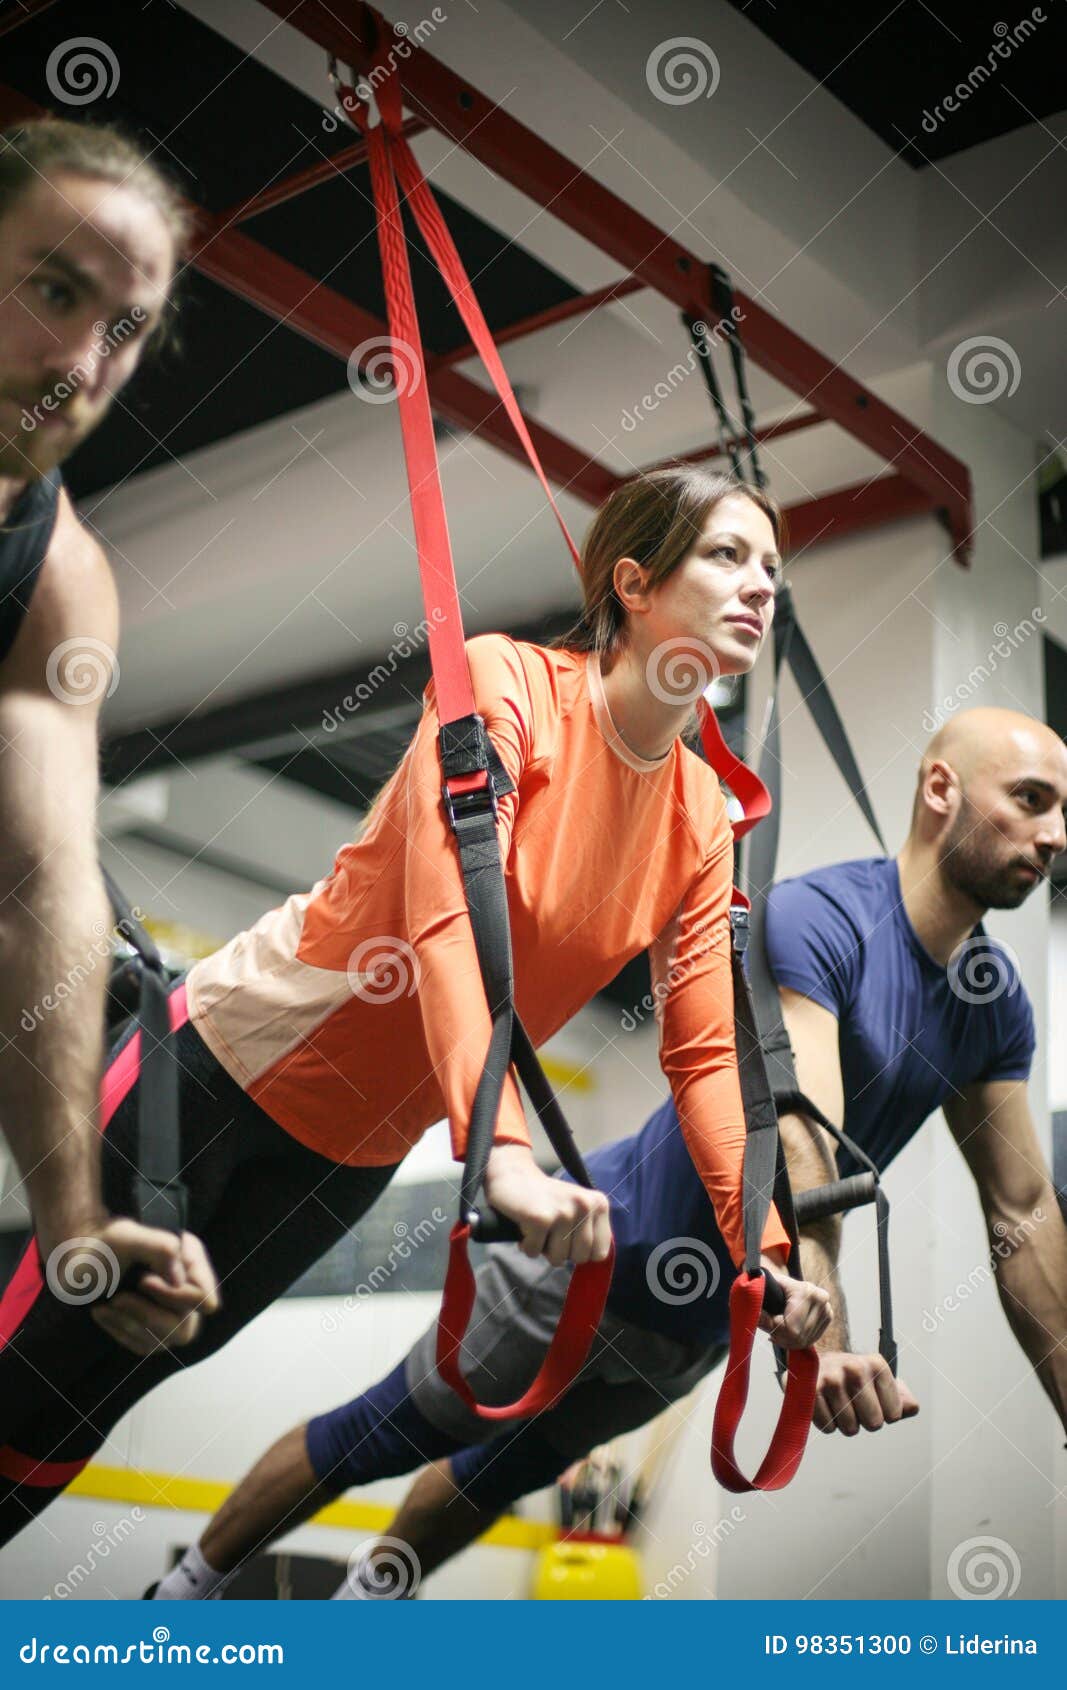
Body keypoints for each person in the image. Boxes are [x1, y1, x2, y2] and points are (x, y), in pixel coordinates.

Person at [0, 466, 832, 1547]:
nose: (761, 584)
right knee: (46, 1353)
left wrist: (762, 1252)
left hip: (348, 1155)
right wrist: (501, 1157)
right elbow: (449, 923)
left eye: (771, 565)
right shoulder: (504, 683)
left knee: (111, 1389)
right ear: (632, 583)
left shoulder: (698, 814)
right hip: (223, 1063)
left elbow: (707, 1056)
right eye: (727, 555)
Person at [148, 706, 1067, 1601]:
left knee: (496, 1477)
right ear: (940, 790)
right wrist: (823, 1343)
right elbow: (796, 1136)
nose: (1055, 834)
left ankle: (366, 1610)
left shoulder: (991, 1002)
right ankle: (182, 1596)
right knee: (383, 1435)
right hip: (597, 1258)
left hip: (705, 1321)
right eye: (1029, 799)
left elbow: (1022, 1212)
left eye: (1062, 811)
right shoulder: (823, 918)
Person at [0, 118, 217, 1351]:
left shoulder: (56, 579)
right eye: (54, 290)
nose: (81, 362)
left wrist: (71, 1221)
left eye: (125, 327)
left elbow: (39, 888)